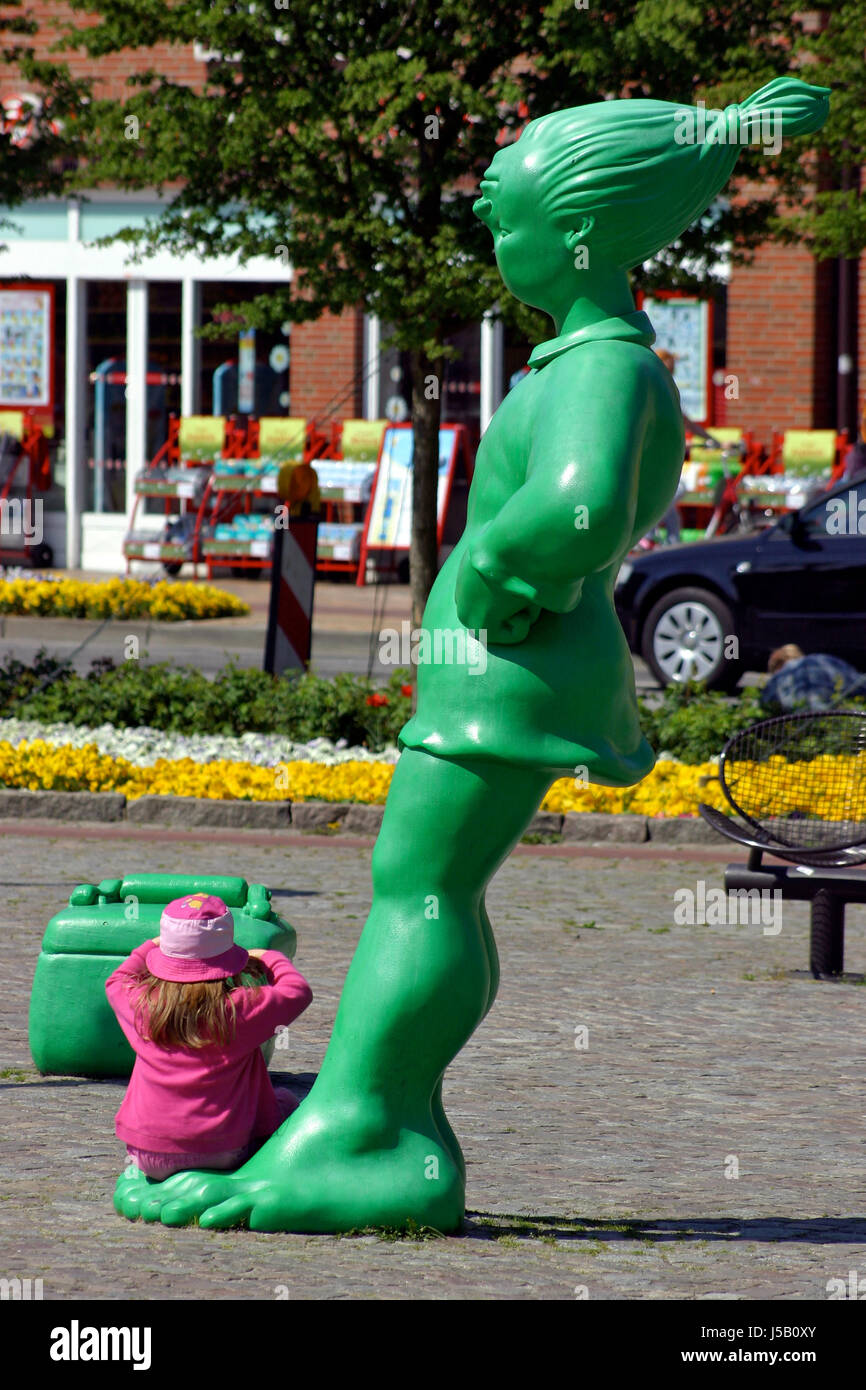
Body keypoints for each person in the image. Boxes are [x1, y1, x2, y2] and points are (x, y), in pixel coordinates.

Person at [114, 74, 829, 1233]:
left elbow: (584, 506)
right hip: (506, 667)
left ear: (580, 234)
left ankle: (368, 1135)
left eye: (507, 219)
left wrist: (496, 573)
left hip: (509, 670)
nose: (494, 241)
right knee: (433, 892)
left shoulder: (599, 366)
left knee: (422, 890)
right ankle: (378, 1119)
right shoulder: (589, 362)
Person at [106, 893, 312, 1183]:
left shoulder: (143, 1005)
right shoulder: (239, 1007)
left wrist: (152, 945)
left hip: (148, 1154)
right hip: (224, 1151)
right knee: (286, 1101)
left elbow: (116, 980)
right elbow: (297, 991)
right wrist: (270, 957)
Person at [760, 644, 866, 712]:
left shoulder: (778, 678)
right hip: (847, 722)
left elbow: (766, 707)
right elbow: (860, 684)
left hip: (805, 730)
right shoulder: (826, 659)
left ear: (777, 666)